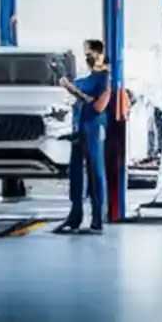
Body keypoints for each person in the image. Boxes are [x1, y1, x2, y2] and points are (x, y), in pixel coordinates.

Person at [55, 39, 111, 233]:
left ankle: (97, 218)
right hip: (78, 128)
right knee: (76, 174)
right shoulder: (85, 78)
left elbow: (98, 106)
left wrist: (74, 91)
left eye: (90, 54)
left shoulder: (105, 79)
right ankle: (74, 216)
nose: (87, 57)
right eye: (86, 54)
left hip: (94, 129)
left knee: (95, 173)